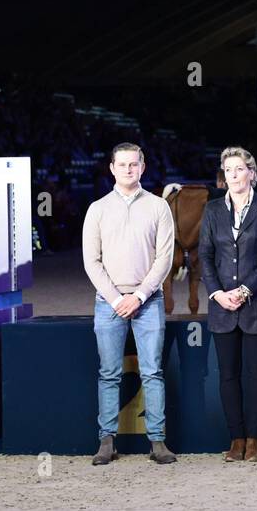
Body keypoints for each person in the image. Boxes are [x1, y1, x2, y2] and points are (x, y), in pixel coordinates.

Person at [83, 142, 177, 466]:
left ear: (142, 167)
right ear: (111, 168)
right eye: (121, 165)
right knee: (109, 374)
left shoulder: (158, 207)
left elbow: (165, 259)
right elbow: (91, 261)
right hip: (108, 302)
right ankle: (106, 442)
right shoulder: (97, 209)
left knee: (153, 372)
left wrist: (138, 296)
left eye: (133, 164)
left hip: (148, 301)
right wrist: (116, 298)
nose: (127, 169)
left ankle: (158, 442)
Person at [199, 147, 257, 463]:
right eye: (228, 170)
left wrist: (246, 290)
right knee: (228, 375)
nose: (233, 175)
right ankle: (235, 438)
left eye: (239, 168)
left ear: (251, 172)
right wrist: (217, 294)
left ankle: (254, 439)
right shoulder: (212, 211)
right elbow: (205, 256)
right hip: (222, 306)